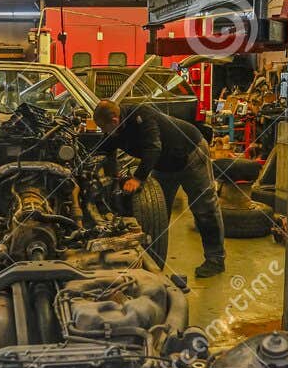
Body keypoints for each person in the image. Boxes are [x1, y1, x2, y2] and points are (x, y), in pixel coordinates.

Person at [91, 99, 226, 279]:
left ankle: (216, 260)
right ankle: (153, 261)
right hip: (164, 164)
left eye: (104, 128)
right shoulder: (115, 129)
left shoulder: (142, 115)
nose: (104, 132)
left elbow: (153, 147)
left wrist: (138, 178)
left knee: (205, 208)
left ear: (114, 121)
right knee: (157, 212)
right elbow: (104, 150)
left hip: (191, 152)